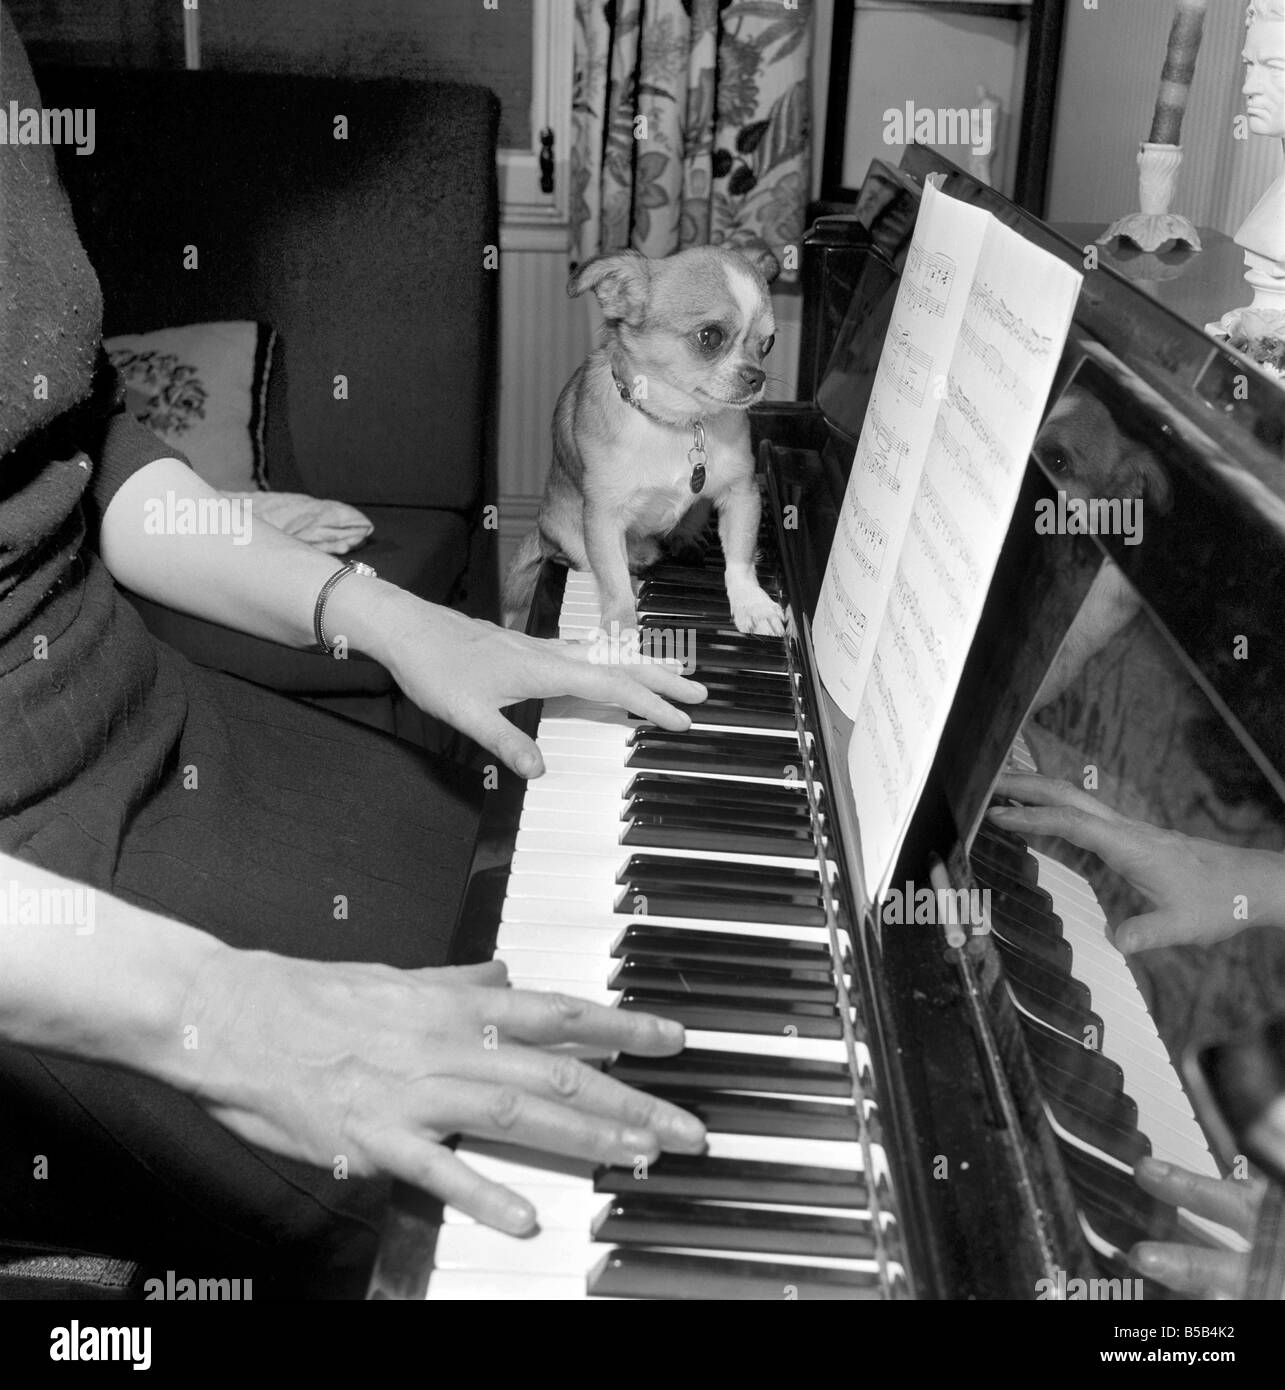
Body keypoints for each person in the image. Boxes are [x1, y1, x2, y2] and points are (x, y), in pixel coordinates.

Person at [0, 6, 707, 1297]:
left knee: (565, 932)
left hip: (160, 721)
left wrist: (386, 616)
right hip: (43, 908)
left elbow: (74, 449)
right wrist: (212, 1010)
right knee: (513, 1198)